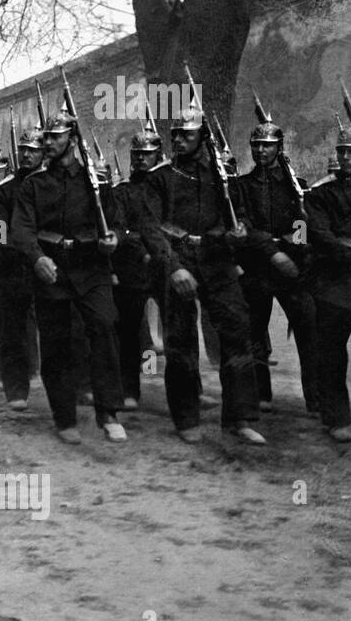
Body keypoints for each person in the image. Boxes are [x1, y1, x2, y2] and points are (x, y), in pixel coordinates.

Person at [137, 93, 266, 444]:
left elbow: (242, 216)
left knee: (238, 333)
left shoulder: (221, 177)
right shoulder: (158, 178)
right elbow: (150, 228)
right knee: (180, 343)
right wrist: (174, 268)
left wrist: (239, 231)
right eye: (175, 134)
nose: (178, 140)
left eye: (187, 135)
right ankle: (186, 418)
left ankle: (240, 417)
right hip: (178, 260)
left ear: (203, 138)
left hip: (217, 260)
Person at [11, 109, 128, 444]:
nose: (48, 143)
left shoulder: (95, 180)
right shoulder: (34, 184)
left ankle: (108, 412)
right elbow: (21, 230)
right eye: (46, 137)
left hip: (92, 268)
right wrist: (37, 259)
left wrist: (114, 238)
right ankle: (64, 417)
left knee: (105, 327)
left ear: (72, 139)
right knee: (56, 344)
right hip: (53, 271)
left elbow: (117, 222)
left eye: (56, 136)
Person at [235, 108, 319, 415]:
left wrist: (285, 246)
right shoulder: (241, 187)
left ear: (279, 147)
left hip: (291, 270)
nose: (260, 150)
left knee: (309, 330)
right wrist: (272, 250)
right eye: (256, 145)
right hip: (257, 270)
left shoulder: (296, 185)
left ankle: (316, 398)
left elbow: (303, 227)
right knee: (254, 332)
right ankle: (261, 394)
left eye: (267, 145)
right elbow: (243, 228)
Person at [0, 125, 45, 410]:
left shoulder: (52, 183)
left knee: (65, 328)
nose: (26, 155)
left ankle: (78, 385)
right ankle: (16, 389)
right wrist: (9, 249)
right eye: (22, 150)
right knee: (13, 330)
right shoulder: (4, 190)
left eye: (33, 151)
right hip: (14, 265)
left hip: (51, 263)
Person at [110, 121, 163, 409]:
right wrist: (144, 249)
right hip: (133, 267)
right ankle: (131, 390)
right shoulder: (123, 191)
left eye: (148, 153)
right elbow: (121, 229)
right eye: (137, 153)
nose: (141, 157)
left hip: (165, 263)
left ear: (158, 154)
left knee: (173, 330)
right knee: (132, 330)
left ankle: (181, 386)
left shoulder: (167, 186)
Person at [305, 122, 351, 442]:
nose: (346, 157)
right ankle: (336, 415)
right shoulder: (320, 195)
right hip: (334, 284)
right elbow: (320, 235)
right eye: (342, 152)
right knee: (332, 353)